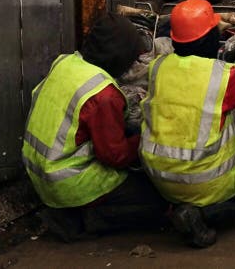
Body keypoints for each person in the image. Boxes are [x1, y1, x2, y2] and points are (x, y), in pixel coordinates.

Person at [22, 13, 167, 242]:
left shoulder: (64, 62)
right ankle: (85, 220)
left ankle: (68, 211)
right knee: (159, 197)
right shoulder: (103, 93)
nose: (132, 64)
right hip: (69, 182)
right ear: (119, 56)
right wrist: (146, 138)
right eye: (131, 58)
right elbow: (115, 156)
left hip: (40, 174)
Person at [140, 0, 235, 248]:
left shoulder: (158, 67)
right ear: (209, 40)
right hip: (205, 181)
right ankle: (197, 216)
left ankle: (176, 207)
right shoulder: (222, 77)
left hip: (158, 177)